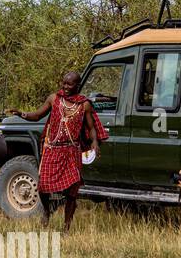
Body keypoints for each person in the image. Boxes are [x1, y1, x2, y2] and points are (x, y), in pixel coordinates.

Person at [6, 71, 108, 231]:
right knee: (43, 186)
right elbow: (37, 115)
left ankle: (67, 226)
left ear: (77, 86)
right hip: (52, 150)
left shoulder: (84, 104)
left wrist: (95, 141)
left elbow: (91, 127)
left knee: (72, 192)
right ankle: (46, 211)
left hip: (71, 151)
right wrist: (22, 114)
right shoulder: (54, 99)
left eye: (69, 84)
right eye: (63, 83)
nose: (65, 87)